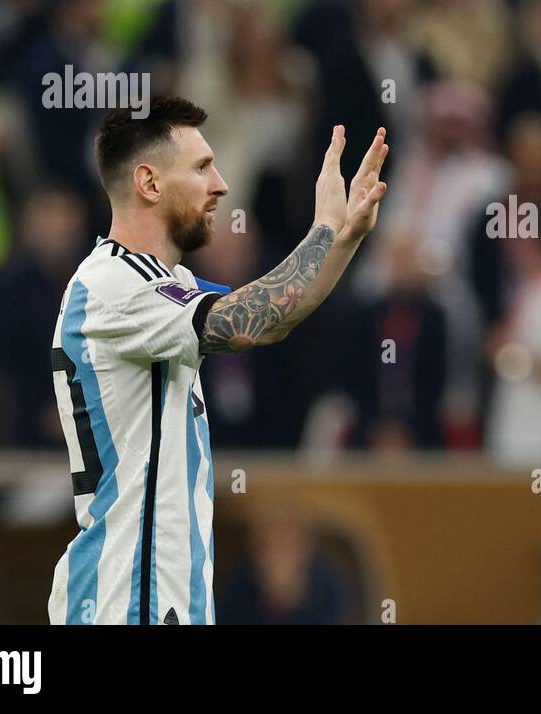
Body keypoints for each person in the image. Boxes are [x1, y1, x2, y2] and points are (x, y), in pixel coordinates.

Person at [46, 95, 388, 625]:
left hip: (163, 596)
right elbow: (253, 321)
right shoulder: (113, 284)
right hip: (126, 599)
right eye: (203, 166)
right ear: (149, 183)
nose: (221, 185)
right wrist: (322, 228)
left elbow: (277, 310)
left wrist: (343, 239)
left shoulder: (164, 285)